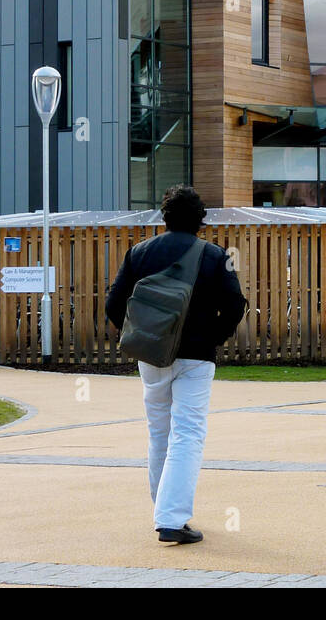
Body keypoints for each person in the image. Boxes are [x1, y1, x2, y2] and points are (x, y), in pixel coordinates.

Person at [106, 186, 247, 545]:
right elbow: (235, 304)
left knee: (159, 433)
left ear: (164, 217)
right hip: (196, 357)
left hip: (152, 356)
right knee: (188, 433)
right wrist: (212, 338)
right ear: (201, 219)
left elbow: (113, 304)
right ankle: (171, 518)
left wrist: (140, 335)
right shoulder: (215, 255)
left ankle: (163, 510)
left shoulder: (139, 253)